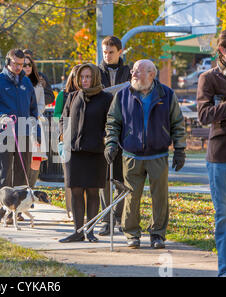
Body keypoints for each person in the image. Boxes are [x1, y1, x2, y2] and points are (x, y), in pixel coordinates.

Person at [105, 59, 186, 249]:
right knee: (131, 197)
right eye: (133, 71)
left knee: (160, 197)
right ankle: (132, 233)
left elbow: (177, 122)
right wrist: (110, 143)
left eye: (138, 71)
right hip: (131, 154)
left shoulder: (167, 94)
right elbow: (113, 122)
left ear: (152, 74)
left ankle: (158, 234)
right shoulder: (123, 95)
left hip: (158, 154)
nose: (133, 74)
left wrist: (180, 149)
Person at [196, 28, 226, 277]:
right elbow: (203, 116)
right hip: (221, 154)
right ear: (222, 50)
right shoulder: (209, 78)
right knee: (224, 216)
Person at [58, 64, 112, 243]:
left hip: (96, 152)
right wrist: (63, 137)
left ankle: (90, 231)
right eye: (82, 77)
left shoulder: (106, 98)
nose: (84, 80)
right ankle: (77, 231)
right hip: (74, 152)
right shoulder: (73, 96)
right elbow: (63, 119)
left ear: (95, 78)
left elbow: (111, 123)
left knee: (92, 191)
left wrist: (104, 138)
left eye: (88, 77)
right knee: (75, 191)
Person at [0, 48, 39, 200]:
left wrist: (35, 133)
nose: (19, 67)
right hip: (4, 133)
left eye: (22, 64)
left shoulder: (26, 81)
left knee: (22, 172)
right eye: (16, 64)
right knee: (4, 172)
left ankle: (18, 209)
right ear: (7, 63)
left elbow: (33, 110)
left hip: (24, 132)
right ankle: (3, 208)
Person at [97, 35, 132, 236]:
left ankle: (118, 216)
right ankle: (106, 220)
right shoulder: (95, 72)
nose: (107, 56)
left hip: (127, 131)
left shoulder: (130, 72)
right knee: (104, 179)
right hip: (102, 130)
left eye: (111, 52)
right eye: (104, 52)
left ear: (120, 52)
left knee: (123, 179)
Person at [53, 64, 81, 218]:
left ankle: (81, 209)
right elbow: (57, 116)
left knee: (84, 178)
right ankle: (70, 209)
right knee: (69, 177)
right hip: (66, 138)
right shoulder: (62, 95)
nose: (83, 80)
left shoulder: (88, 94)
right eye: (80, 77)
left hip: (84, 140)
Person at [22, 54, 48, 187]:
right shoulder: (17, 83)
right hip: (20, 124)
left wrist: (34, 113)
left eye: (29, 65)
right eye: (24, 64)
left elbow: (42, 104)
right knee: (22, 160)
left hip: (35, 123)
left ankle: (30, 190)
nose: (27, 67)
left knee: (36, 160)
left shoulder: (38, 84)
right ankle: (22, 189)